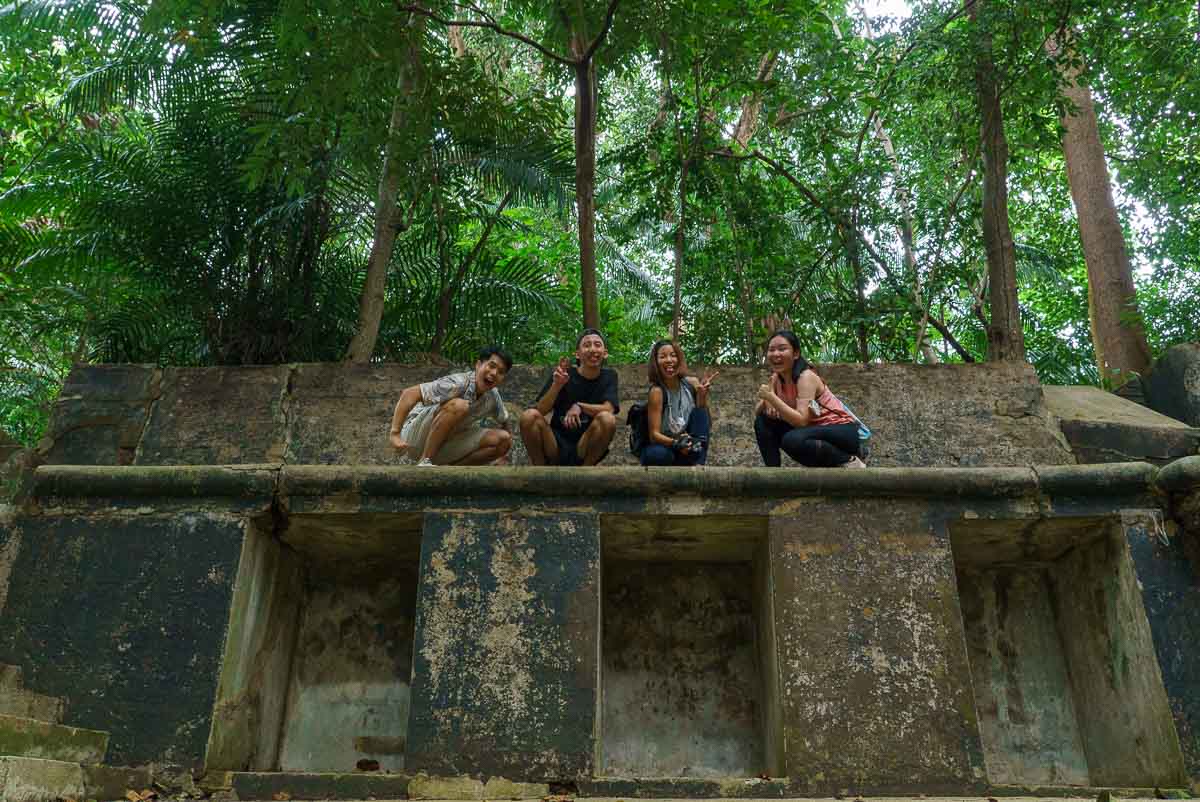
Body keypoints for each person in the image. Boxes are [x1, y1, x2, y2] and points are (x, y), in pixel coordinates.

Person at [754, 330, 866, 468]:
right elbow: (758, 412)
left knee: (791, 440)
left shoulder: (805, 377)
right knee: (762, 422)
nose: (776, 354)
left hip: (842, 431)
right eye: (771, 350)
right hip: (814, 431)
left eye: (782, 349)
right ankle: (772, 474)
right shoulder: (777, 378)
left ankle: (849, 460)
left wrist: (771, 397)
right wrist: (766, 400)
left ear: (796, 354)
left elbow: (801, 421)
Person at [388, 346, 513, 466]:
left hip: (445, 445)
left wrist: (503, 456)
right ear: (478, 365)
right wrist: (395, 434)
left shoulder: (493, 396)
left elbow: (504, 419)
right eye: (491, 366)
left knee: (504, 440)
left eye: (501, 372)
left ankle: (451, 470)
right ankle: (424, 462)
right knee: (459, 405)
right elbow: (410, 393)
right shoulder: (459, 383)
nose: (494, 373)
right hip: (413, 438)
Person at [520, 329, 619, 466]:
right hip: (555, 443)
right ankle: (539, 470)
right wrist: (557, 385)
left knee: (607, 419)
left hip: (586, 444)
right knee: (529, 416)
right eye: (586, 345)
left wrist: (579, 406)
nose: (592, 349)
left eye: (597, 344)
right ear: (577, 354)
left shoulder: (609, 376)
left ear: (605, 353)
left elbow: (609, 409)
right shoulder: (564, 374)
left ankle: (586, 473)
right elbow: (540, 410)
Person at [640, 340, 718, 467]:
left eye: (673, 355)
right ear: (656, 363)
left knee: (702, 413)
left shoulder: (691, 383)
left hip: (686, 447)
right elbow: (654, 435)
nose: (669, 360)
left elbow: (703, 423)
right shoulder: (657, 392)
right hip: (665, 447)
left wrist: (702, 395)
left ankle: (698, 466)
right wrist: (676, 443)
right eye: (663, 357)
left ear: (679, 359)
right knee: (658, 455)